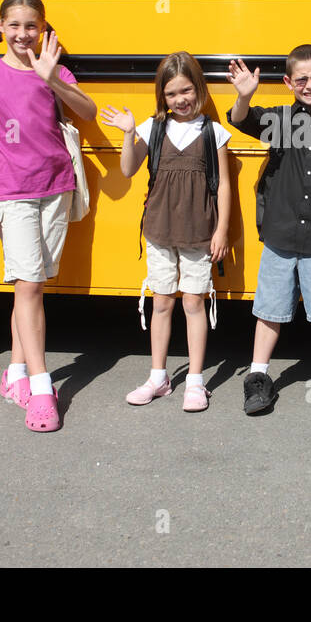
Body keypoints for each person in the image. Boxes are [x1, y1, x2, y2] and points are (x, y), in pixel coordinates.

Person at [0, 0, 96, 433]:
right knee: (31, 285)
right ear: (1, 26)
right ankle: (42, 389)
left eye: (31, 26)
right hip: (12, 193)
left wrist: (52, 77)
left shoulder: (53, 70)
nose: (22, 33)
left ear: (43, 29)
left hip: (56, 188)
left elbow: (88, 111)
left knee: (29, 286)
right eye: (14, 25)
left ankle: (15, 372)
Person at [226, 45, 311, 416]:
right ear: (288, 82)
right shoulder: (278, 120)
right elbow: (241, 120)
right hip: (281, 236)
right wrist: (244, 95)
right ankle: (258, 376)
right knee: (269, 309)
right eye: (301, 79)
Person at [101, 51, 231, 413]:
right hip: (159, 231)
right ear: (162, 96)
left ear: (199, 89)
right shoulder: (153, 128)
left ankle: (195, 381)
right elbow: (127, 170)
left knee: (193, 303)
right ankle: (158, 377)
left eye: (187, 90)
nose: (181, 100)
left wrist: (221, 229)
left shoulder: (212, 132)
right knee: (160, 303)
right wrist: (129, 134)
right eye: (172, 94)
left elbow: (223, 187)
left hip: (199, 233)